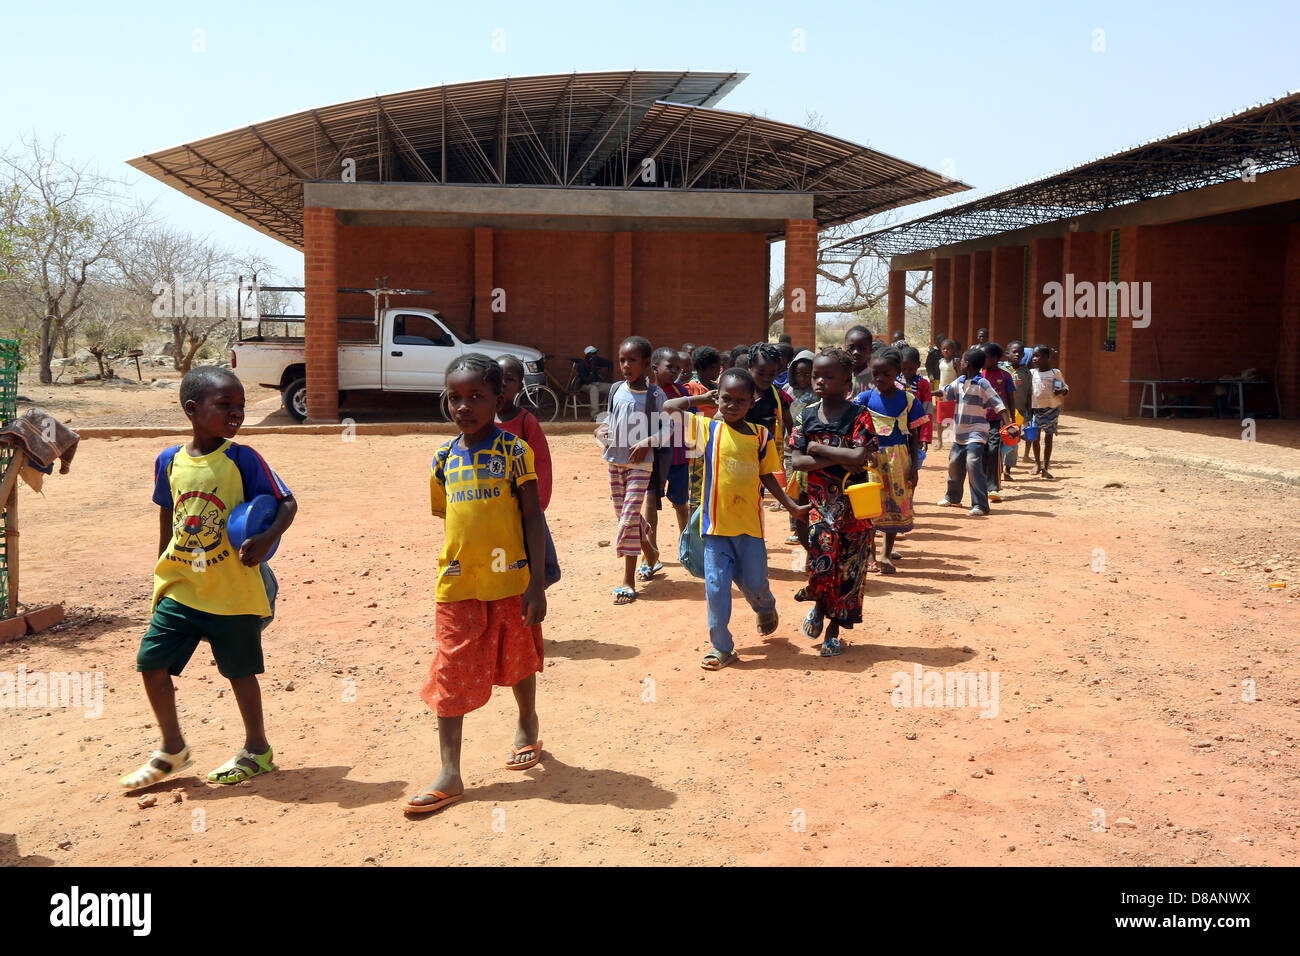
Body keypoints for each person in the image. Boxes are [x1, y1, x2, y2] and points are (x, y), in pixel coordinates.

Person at [120, 367, 296, 792]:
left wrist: (267, 536)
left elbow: (286, 502)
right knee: (152, 663)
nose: (236, 413)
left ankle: (257, 751)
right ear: (192, 410)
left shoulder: (243, 458)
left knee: (238, 672)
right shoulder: (169, 460)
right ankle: (172, 748)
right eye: (225, 405)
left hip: (232, 589)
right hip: (181, 584)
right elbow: (170, 512)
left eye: (240, 405)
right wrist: (162, 561)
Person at [404, 354, 548, 814]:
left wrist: (537, 584)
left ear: (498, 398)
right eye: (455, 398)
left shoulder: (514, 452)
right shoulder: (443, 458)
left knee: (518, 658)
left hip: (511, 581)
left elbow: (532, 517)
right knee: (451, 669)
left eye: (476, 397)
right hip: (459, 582)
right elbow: (450, 516)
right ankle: (450, 772)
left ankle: (527, 722)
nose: (463, 407)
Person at [665, 369, 809, 670]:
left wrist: (791, 506)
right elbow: (669, 408)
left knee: (755, 582)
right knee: (716, 587)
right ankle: (722, 647)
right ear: (718, 398)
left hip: (749, 527)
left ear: (752, 401)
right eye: (726, 399)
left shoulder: (760, 436)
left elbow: (767, 475)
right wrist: (700, 399)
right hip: (715, 528)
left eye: (740, 400)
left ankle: (764, 606)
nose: (731, 405)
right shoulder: (707, 429)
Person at [790, 348, 879, 657]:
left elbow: (859, 455)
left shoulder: (859, 415)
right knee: (821, 564)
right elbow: (797, 460)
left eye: (829, 377)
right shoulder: (807, 414)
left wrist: (817, 448)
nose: (820, 381)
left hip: (857, 508)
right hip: (820, 509)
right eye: (816, 375)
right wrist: (834, 456)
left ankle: (833, 631)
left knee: (848, 572)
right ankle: (816, 599)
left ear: (846, 382)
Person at [598, 336, 666, 605]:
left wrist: (648, 441)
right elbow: (609, 420)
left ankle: (628, 581)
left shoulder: (655, 395)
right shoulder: (616, 389)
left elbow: (667, 429)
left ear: (646, 363)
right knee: (625, 516)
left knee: (627, 519)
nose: (626, 365)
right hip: (614, 461)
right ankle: (649, 547)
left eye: (632, 360)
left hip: (641, 464)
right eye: (622, 360)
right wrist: (602, 432)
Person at [854, 348, 925, 573]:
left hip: (899, 461)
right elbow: (854, 430)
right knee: (871, 507)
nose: (880, 379)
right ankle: (871, 556)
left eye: (886, 374)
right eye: (876, 374)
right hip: (872, 461)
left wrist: (914, 467)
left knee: (894, 504)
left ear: (897, 372)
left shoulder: (908, 399)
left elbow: (913, 435)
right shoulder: (864, 399)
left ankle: (886, 553)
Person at [936, 348, 1013, 516]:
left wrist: (1009, 425)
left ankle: (980, 504)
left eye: (962, 360)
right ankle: (953, 497)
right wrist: (923, 394)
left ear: (967, 364)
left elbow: (999, 405)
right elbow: (944, 392)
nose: (959, 363)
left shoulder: (983, 383)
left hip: (977, 432)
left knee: (973, 463)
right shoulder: (960, 381)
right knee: (954, 465)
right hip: (959, 433)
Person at [639, 346, 690, 581]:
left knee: (681, 504)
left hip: (678, 459)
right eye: (670, 367)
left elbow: (693, 420)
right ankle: (650, 554)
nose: (676, 371)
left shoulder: (683, 392)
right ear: (654, 368)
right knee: (651, 502)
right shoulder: (647, 394)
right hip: (655, 459)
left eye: (678, 368)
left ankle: (687, 548)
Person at [496, 356, 552, 511]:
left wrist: (537, 505)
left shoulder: (526, 422)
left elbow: (541, 463)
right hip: (488, 505)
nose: (502, 383)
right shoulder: (480, 419)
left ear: (520, 387)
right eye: (498, 378)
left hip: (520, 506)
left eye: (509, 379)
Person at [782, 350, 816, 545]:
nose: (802, 378)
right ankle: (795, 527)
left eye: (807, 374)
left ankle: (810, 524)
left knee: (809, 488)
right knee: (792, 488)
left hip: (811, 450)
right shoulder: (788, 390)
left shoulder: (818, 392)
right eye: (798, 373)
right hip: (790, 450)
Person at [979, 343, 1016, 503]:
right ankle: (982, 484)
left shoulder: (1006, 376)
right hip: (980, 420)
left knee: (994, 449)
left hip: (997, 420)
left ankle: (993, 487)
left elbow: (1010, 398)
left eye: (984, 357)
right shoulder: (979, 375)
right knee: (982, 451)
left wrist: (1012, 421)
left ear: (995, 358)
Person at [1029, 344, 1069, 478]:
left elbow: (1065, 388)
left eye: (1037, 356)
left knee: (1048, 438)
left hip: (1051, 409)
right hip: (1036, 409)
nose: (1034, 358)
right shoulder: (1031, 373)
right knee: (1035, 437)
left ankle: (1045, 466)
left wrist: (1061, 391)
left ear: (1046, 357)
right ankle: (1037, 463)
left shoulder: (1055, 373)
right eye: (1033, 356)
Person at [898, 346, 934, 454]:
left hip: (916, 430)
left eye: (911, 368)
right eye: (904, 368)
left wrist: (925, 437)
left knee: (914, 459)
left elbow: (927, 411)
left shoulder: (923, 384)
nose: (907, 372)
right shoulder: (895, 382)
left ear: (918, 365)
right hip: (898, 429)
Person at [1005, 341, 1034, 471]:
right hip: (1003, 412)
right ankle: (998, 467)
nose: (1017, 355)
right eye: (1014, 352)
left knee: (1013, 441)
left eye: (1020, 353)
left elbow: (1028, 394)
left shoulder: (1026, 373)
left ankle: (1007, 469)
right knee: (1001, 439)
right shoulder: (1001, 370)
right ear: (1007, 354)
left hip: (1019, 412)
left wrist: (1029, 414)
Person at [575, 345, 614, 419]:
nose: (594, 355)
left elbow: (610, 363)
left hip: (596, 384)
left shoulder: (597, 359)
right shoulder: (581, 365)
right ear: (587, 355)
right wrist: (592, 369)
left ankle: (615, 412)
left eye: (595, 353)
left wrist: (607, 378)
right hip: (585, 385)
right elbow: (587, 381)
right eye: (592, 354)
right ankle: (595, 415)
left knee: (613, 388)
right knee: (594, 389)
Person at [844, 325, 874, 396]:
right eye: (851, 348)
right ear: (845, 348)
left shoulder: (875, 378)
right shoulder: (838, 376)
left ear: (870, 350)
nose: (856, 352)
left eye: (862, 348)